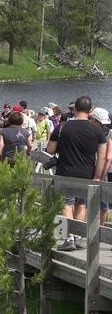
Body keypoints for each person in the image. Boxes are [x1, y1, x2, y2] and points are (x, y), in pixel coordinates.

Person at [47, 96, 107, 251]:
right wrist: (97, 177)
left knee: (66, 204)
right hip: (87, 173)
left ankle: (68, 238)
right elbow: (102, 156)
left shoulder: (61, 127)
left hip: (65, 172)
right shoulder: (98, 130)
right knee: (81, 203)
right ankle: (80, 237)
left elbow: (50, 150)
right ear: (90, 110)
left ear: (74, 109)